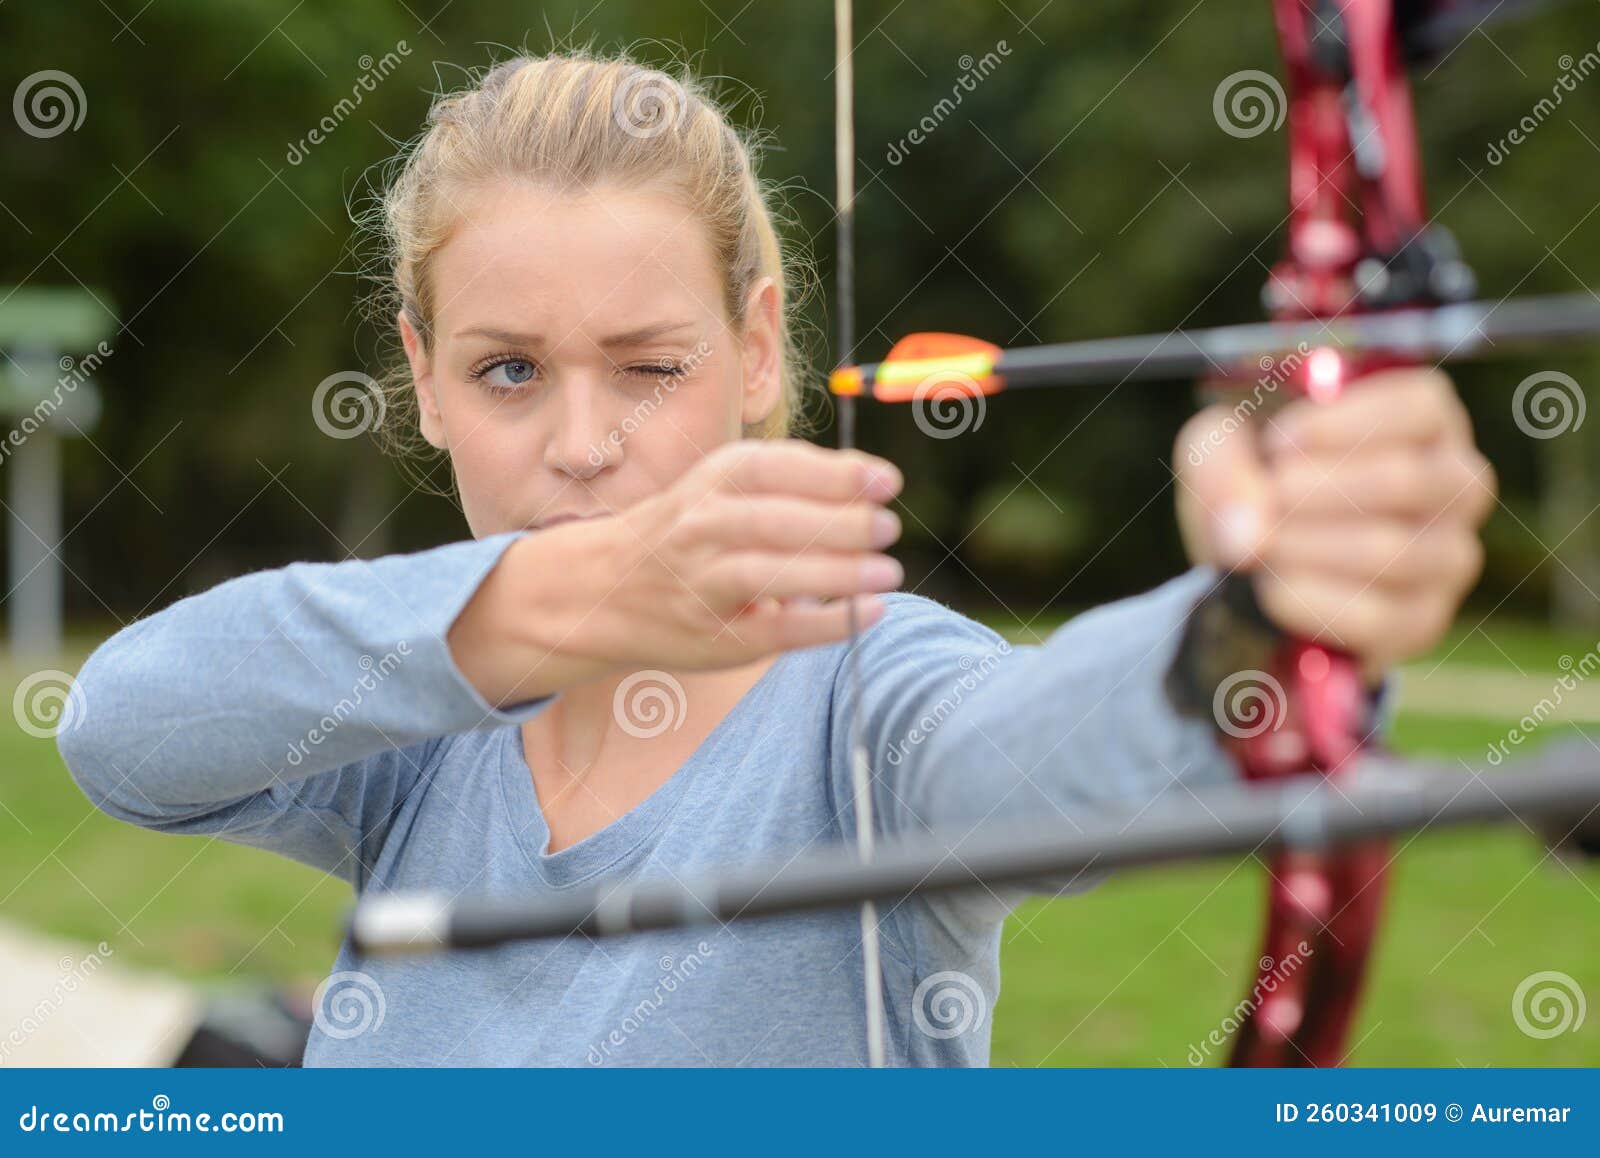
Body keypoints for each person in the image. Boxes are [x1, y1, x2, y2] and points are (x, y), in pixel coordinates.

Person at [57, 52, 1495, 1066]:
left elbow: (1042, 749)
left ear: (752, 350)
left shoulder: (869, 702)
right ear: (423, 379)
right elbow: (128, 725)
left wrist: (1254, 617)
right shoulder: (417, 727)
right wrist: (569, 603)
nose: (580, 443)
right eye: (507, 372)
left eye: (649, 366)